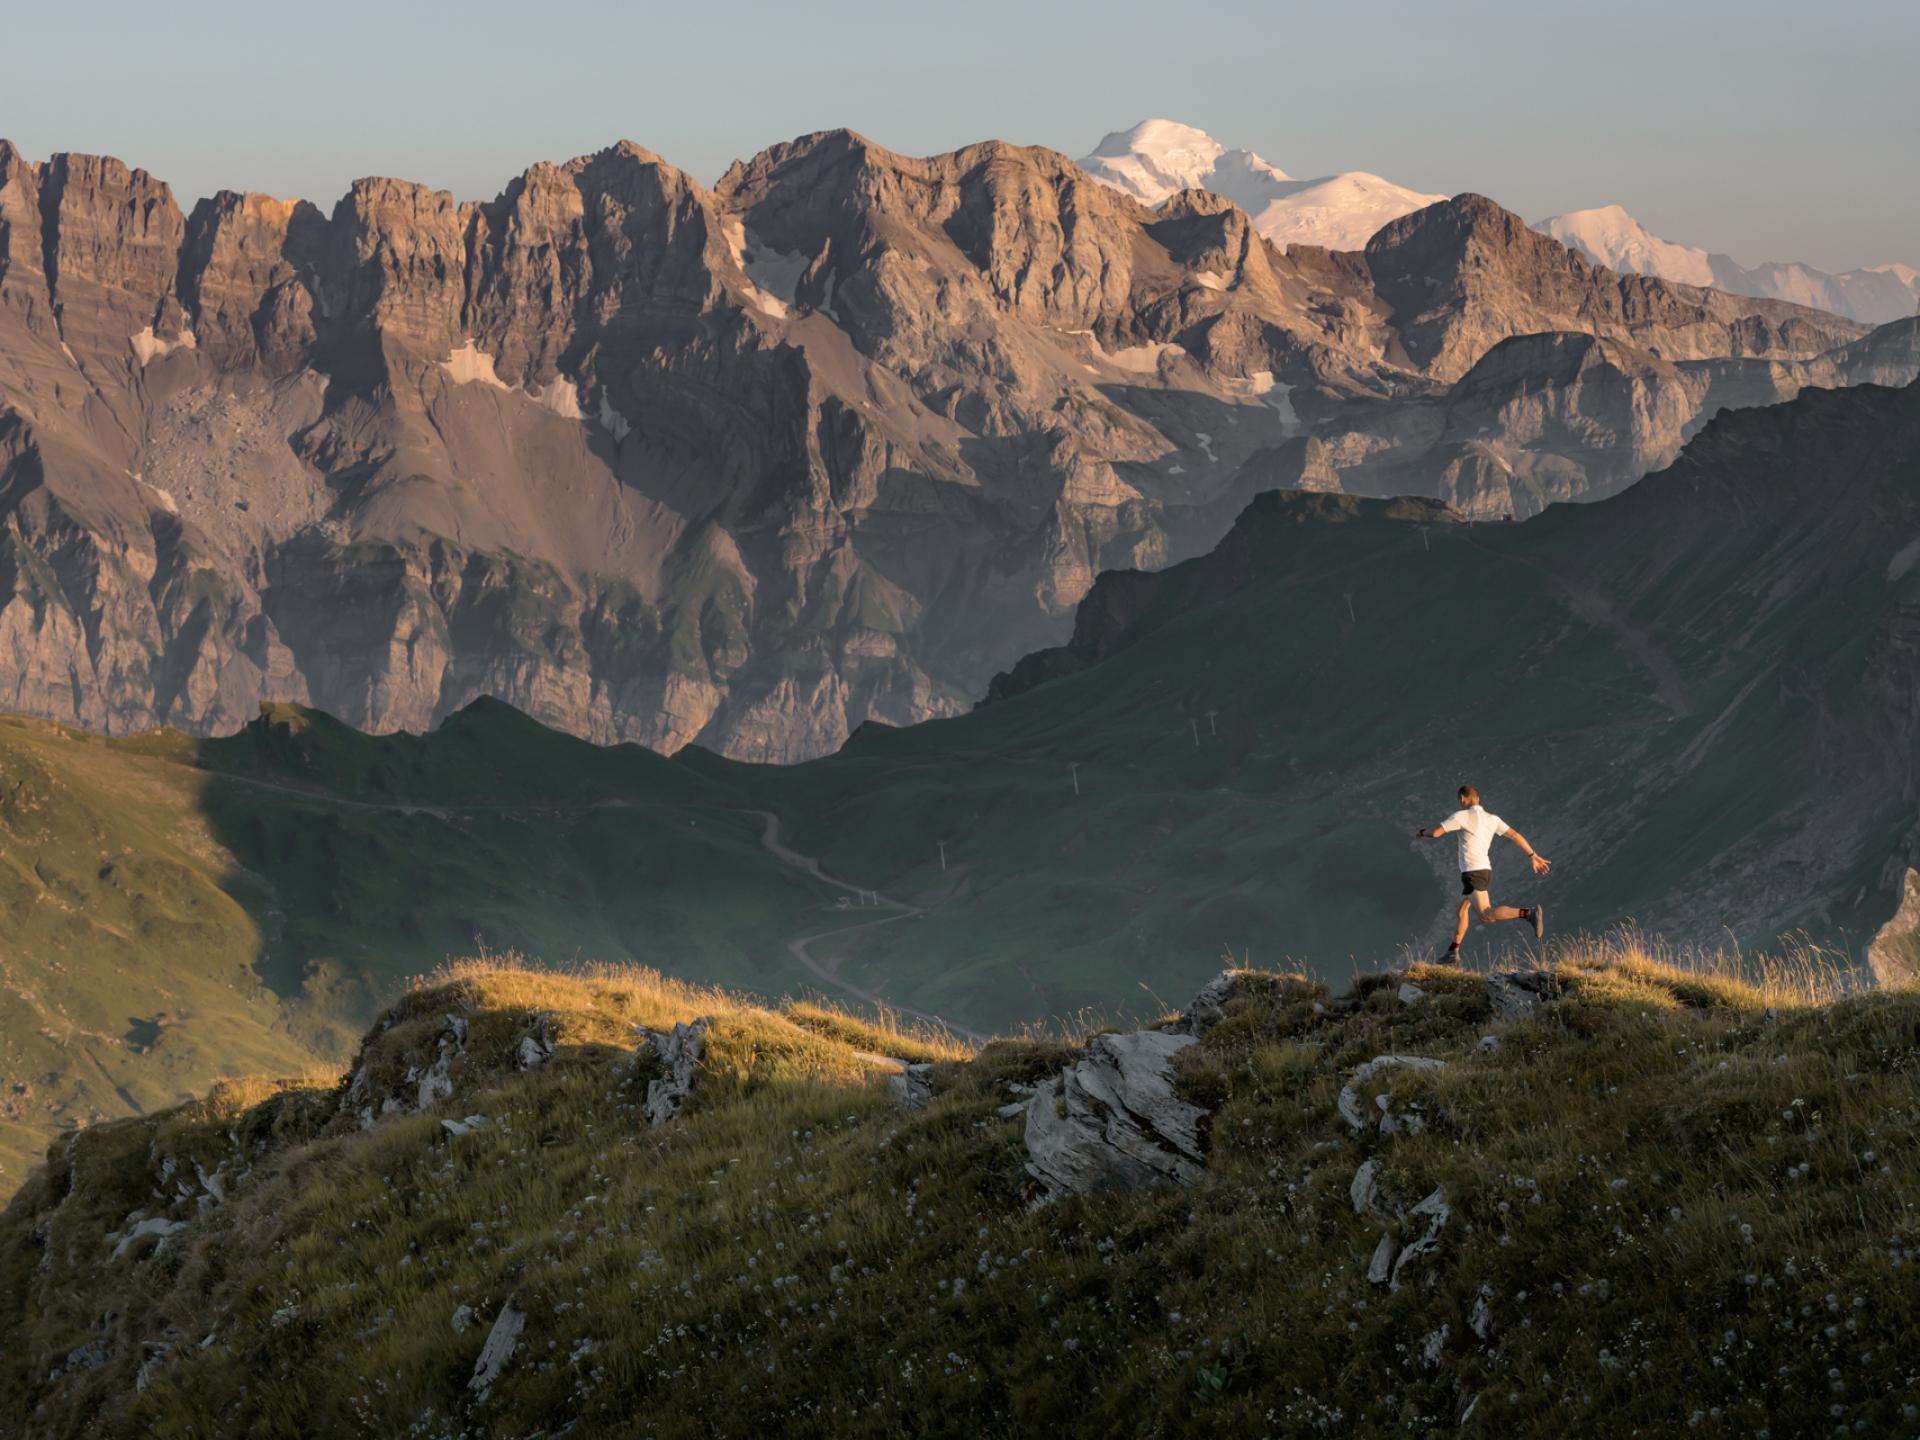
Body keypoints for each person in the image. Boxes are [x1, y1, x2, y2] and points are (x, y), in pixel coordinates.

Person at [1413, 784, 1549, 963]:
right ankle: (1453, 951)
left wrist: (1422, 832)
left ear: (1462, 799)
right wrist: (1533, 855)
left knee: (1487, 915)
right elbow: (1515, 835)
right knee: (1462, 911)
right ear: (1478, 799)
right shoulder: (1492, 818)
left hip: (1473, 873)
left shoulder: (1461, 815)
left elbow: (1436, 833)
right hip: (1483, 870)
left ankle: (1528, 914)